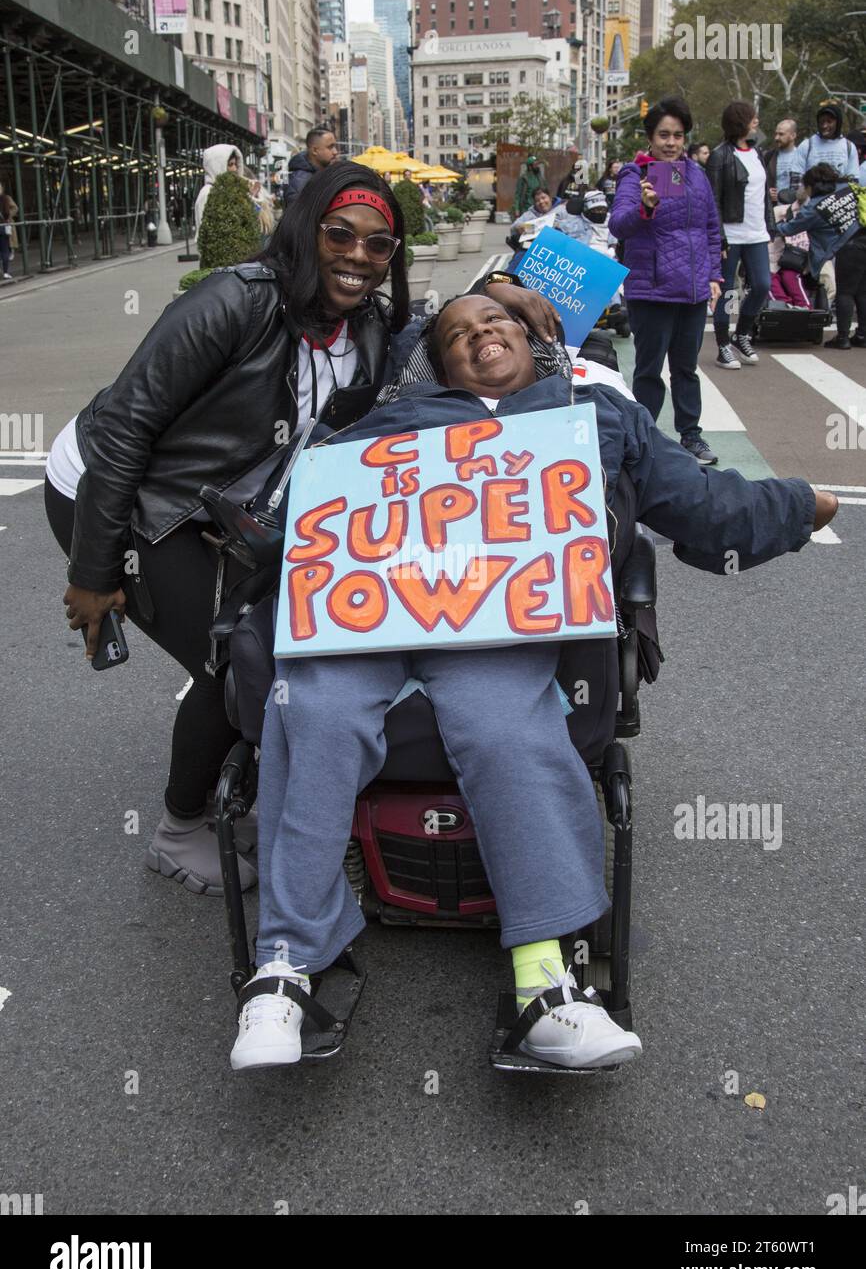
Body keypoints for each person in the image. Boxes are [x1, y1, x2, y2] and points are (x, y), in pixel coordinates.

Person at [230, 289, 839, 1073]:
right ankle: (283, 971)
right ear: (435, 362)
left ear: (535, 338)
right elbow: (310, 512)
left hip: (496, 619)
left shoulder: (594, 415)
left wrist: (797, 504)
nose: (479, 333)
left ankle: (545, 983)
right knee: (315, 708)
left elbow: (705, 507)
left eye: (496, 321)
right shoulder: (391, 420)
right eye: (456, 334)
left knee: (505, 725)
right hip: (367, 613)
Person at [44, 165, 563, 898]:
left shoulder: (370, 323)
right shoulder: (235, 300)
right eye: (340, 234)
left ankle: (247, 790)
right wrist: (94, 574)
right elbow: (126, 429)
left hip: (222, 505)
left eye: (379, 244)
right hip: (122, 494)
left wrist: (498, 290)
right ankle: (177, 829)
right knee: (231, 661)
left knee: (276, 641)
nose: (358, 255)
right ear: (306, 228)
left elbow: (431, 336)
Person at [610, 96, 724, 465]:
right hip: (652, 289)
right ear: (650, 137)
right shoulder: (635, 174)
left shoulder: (696, 174)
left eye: (677, 135)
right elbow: (618, 225)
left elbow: (710, 227)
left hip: (691, 290)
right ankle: (645, 440)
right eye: (663, 135)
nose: (671, 143)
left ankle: (691, 436)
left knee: (686, 369)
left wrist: (714, 276)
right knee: (648, 369)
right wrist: (646, 207)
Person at [706, 101, 774, 370]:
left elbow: (764, 196)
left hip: (757, 233)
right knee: (727, 291)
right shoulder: (719, 155)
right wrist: (719, 237)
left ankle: (742, 334)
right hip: (731, 234)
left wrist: (770, 226)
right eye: (751, 117)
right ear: (739, 122)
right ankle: (723, 345)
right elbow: (713, 200)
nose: (756, 121)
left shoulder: (757, 152)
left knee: (762, 285)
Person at [777, 164, 866, 350]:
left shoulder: (815, 208)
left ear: (811, 186)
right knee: (862, 291)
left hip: (849, 247)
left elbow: (789, 228)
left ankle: (842, 337)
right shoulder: (846, 187)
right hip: (864, 235)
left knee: (845, 292)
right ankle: (862, 335)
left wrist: (770, 227)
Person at [794, 103, 859, 184]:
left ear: (838, 123)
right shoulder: (807, 145)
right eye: (822, 121)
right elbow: (796, 178)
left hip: (839, 195)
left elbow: (853, 180)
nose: (824, 126)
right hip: (812, 195)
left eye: (829, 121)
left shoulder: (849, 147)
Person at [194, 144, 243, 234]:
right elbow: (206, 234)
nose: (235, 169)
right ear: (217, 166)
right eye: (230, 164)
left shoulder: (230, 192)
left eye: (236, 164)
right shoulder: (207, 193)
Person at [283, 127, 339, 206]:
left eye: (335, 146)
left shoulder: (321, 173)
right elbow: (299, 216)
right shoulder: (300, 181)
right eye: (330, 147)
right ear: (315, 150)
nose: (335, 152)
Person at [765, 119, 800, 203]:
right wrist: (766, 192)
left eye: (781, 134)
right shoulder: (768, 156)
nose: (776, 138)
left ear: (793, 135)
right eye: (776, 134)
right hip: (773, 210)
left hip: (794, 209)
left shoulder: (801, 157)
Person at [0, 183, 17, 281]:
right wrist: (7, 218)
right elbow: (9, 212)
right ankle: (6, 272)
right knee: (4, 250)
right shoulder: (6, 198)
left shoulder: (6, 198)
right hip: (3, 226)